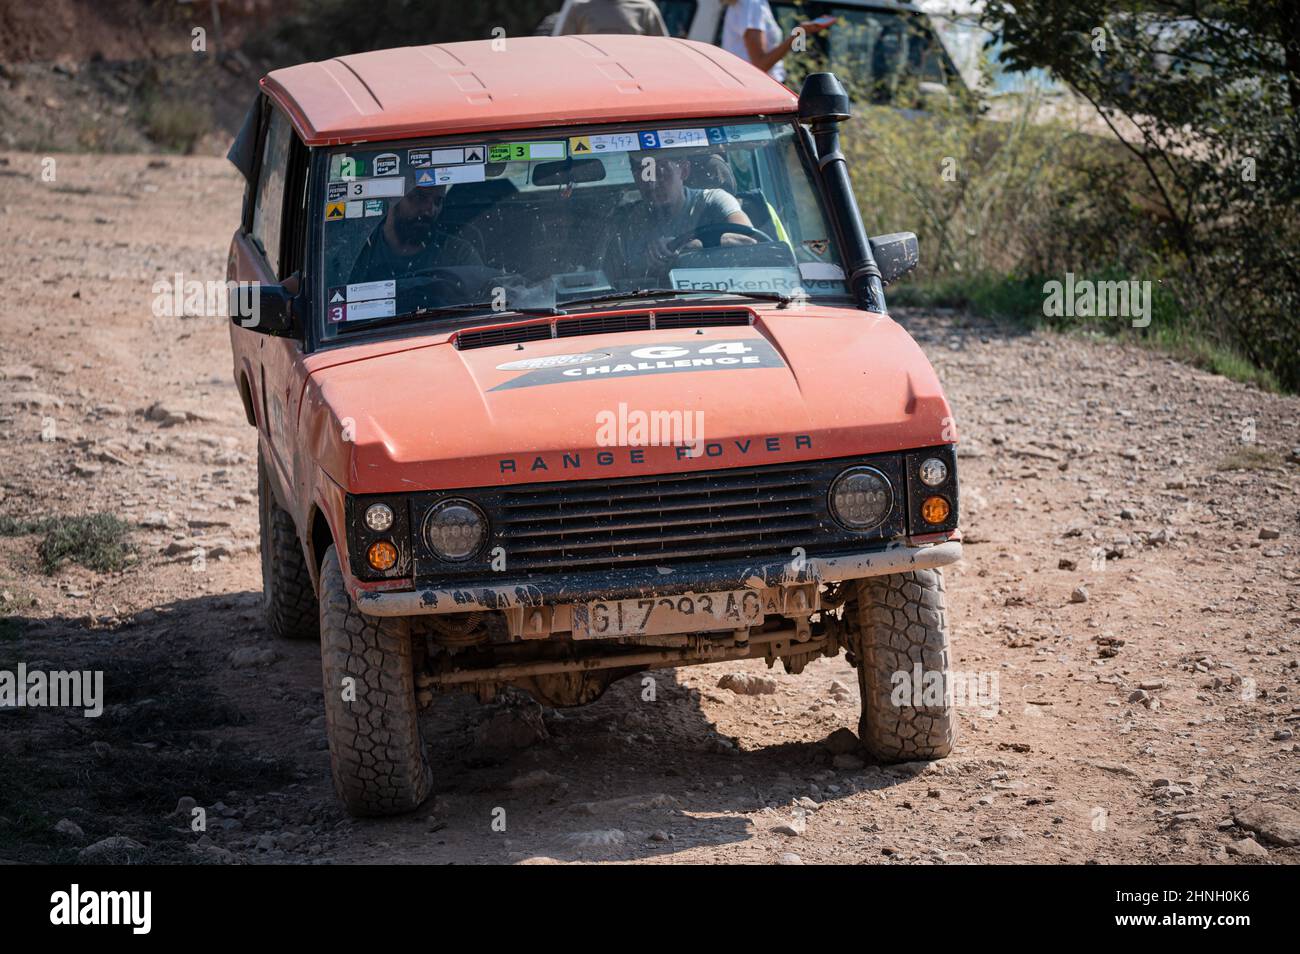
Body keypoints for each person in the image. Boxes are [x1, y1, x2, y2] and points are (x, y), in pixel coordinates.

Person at [605, 152, 754, 282]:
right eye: (643, 173)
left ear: (684, 170)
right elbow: (612, 281)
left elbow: (749, 241)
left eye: (661, 170)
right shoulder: (627, 222)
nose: (652, 183)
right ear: (634, 176)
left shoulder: (715, 200)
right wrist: (647, 265)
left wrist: (689, 246)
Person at [348, 185, 481, 285]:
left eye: (438, 201)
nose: (430, 210)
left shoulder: (458, 254)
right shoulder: (356, 252)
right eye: (420, 197)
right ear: (392, 199)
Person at [719, 0, 831, 84]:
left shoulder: (748, 3)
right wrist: (798, 34)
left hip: (750, 85)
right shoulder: (752, 3)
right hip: (760, 88)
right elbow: (759, 65)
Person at [555, 0, 669, 36]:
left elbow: (662, 52)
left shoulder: (645, 9)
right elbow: (564, 52)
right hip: (590, 81)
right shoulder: (579, 8)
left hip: (634, 81)